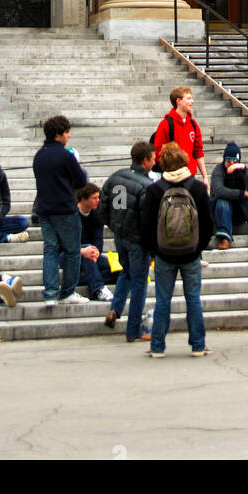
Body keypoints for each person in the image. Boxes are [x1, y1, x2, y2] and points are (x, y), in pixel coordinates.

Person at [141, 142, 214, 357]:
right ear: (184, 161)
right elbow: (209, 224)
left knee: (163, 299)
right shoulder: (198, 188)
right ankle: (198, 345)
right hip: (191, 252)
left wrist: (155, 250)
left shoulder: (155, 190)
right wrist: (198, 247)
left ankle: (157, 346)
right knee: (193, 298)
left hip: (164, 253)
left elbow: (146, 225)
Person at [99, 141, 157, 338]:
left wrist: (114, 226)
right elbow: (147, 220)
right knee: (140, 282)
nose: (155, 161)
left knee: (127, 272)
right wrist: (152, 247)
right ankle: (132, 330)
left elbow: (103, 206)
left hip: (119, 235)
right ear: (145, 161)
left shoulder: (116, 177)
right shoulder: (147, 186)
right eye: (153, 158)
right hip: (137, 240)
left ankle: (114, 310)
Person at [32, 113, 89, 306]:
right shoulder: (66, 156)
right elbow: (81, 181)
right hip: (65, 209)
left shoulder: (39, 156)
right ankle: (67, 292)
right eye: (67, 132)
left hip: (44, 209)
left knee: (50, 250)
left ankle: (50, 293)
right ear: (59, 134)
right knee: (73, 251)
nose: (69, 136)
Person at [152, 87, 210, 188]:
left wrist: (205, 177)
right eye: (188, 98)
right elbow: (158, 154)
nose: (192, 101)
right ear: (178, 101)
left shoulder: (193, 124)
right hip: (171, 179)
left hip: (190, 178)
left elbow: (198, 152)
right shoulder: (165, 124)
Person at [210, 141, 248, 249]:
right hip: (222, 210)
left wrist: (244, 170)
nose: (231, 163)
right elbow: (219, 191)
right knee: (222, 200)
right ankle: (224, 238)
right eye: (228, 160)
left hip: (240, 210)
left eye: (234, 160)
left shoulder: (243, 171)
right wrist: (242, 194)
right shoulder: (218, 170)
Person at [67, 183, 115, 302]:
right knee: (88, 250)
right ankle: (98, 288)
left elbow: (98, 241)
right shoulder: (70, 214)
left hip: (91, 255)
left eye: (98, 197)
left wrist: (95, 252)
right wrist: (83, 251)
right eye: (94, 198)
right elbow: (65, 245)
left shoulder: (97, 215)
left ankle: (82, 278)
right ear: (83, 199)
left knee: (121, 268)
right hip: (70, 256)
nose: (98, 201)